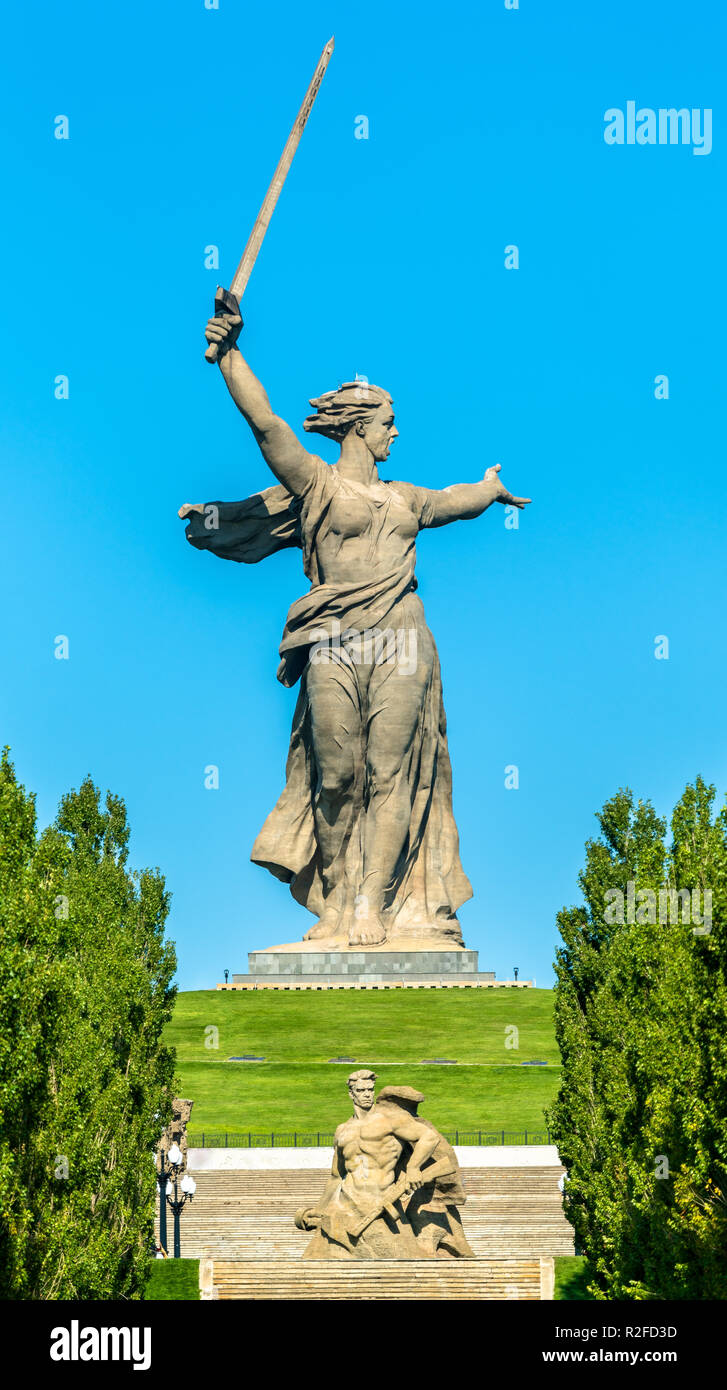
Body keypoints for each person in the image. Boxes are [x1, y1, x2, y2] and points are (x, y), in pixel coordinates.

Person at [180, 310, 531, 946]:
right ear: (361, 427)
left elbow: (457, 500)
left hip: (400, 635)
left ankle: (371, 904)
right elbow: (267, 426)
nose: (395, 433)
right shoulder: (317, 485)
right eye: (389, 423)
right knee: (336, 772)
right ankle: (338, 901)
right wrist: (231, 355)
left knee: (391, 770)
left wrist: (489, 488)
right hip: (332, 638)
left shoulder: (406, 499)